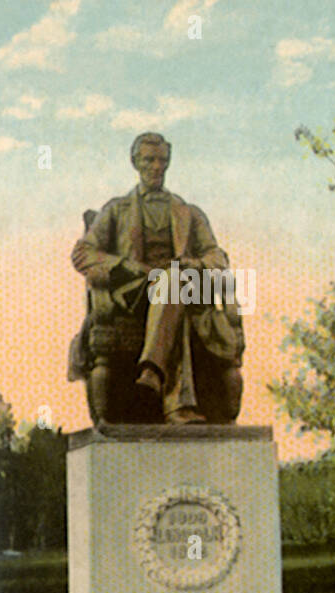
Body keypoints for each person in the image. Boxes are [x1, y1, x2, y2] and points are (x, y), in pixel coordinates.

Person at [70, 132, 243, 425]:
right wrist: (128, 267)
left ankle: (153, 372)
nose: (156, 167)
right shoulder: (116, 209)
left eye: (162, 160)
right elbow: (83, 254)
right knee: (175, 291)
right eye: (149, 160)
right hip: (134, 294)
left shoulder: (188, 212)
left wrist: (194, 263)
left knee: (175, 283)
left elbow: (218, 257)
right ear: (135, 162)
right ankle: (175, 402)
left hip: (181, 287)